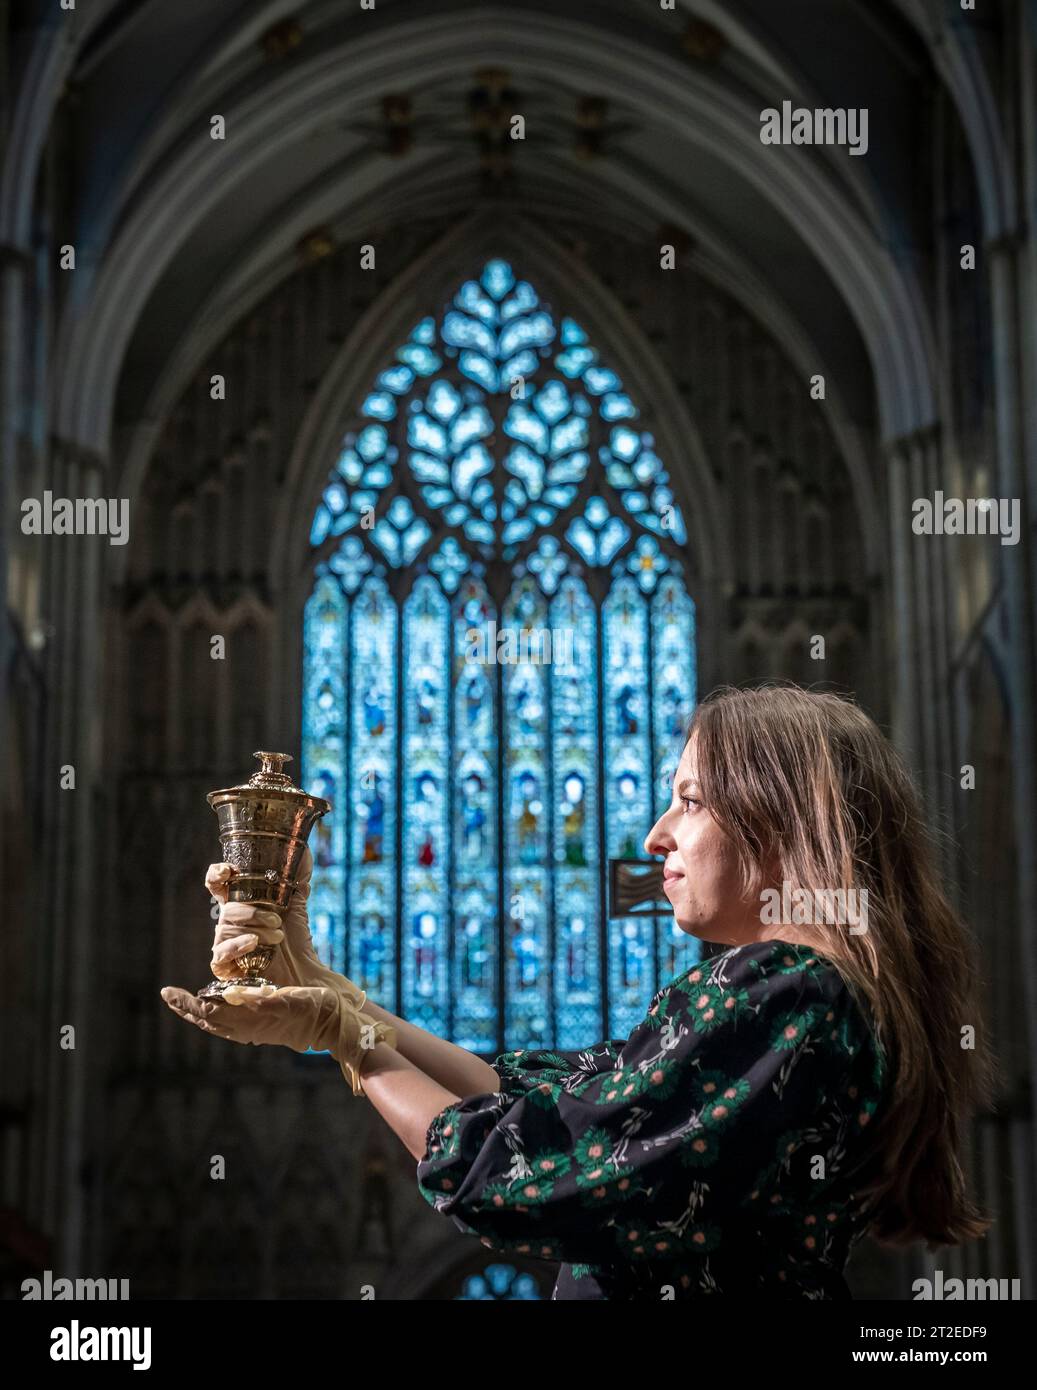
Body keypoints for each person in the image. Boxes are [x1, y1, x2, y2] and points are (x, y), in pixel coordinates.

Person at [160, 683, 995, 1299]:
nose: (655, 835)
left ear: (780, 825)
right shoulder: (807, 995)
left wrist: (345, 1038)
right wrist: (328, 988)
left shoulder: (786, 992)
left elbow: (521, 1170)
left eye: (690, 800)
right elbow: (550, 1103)